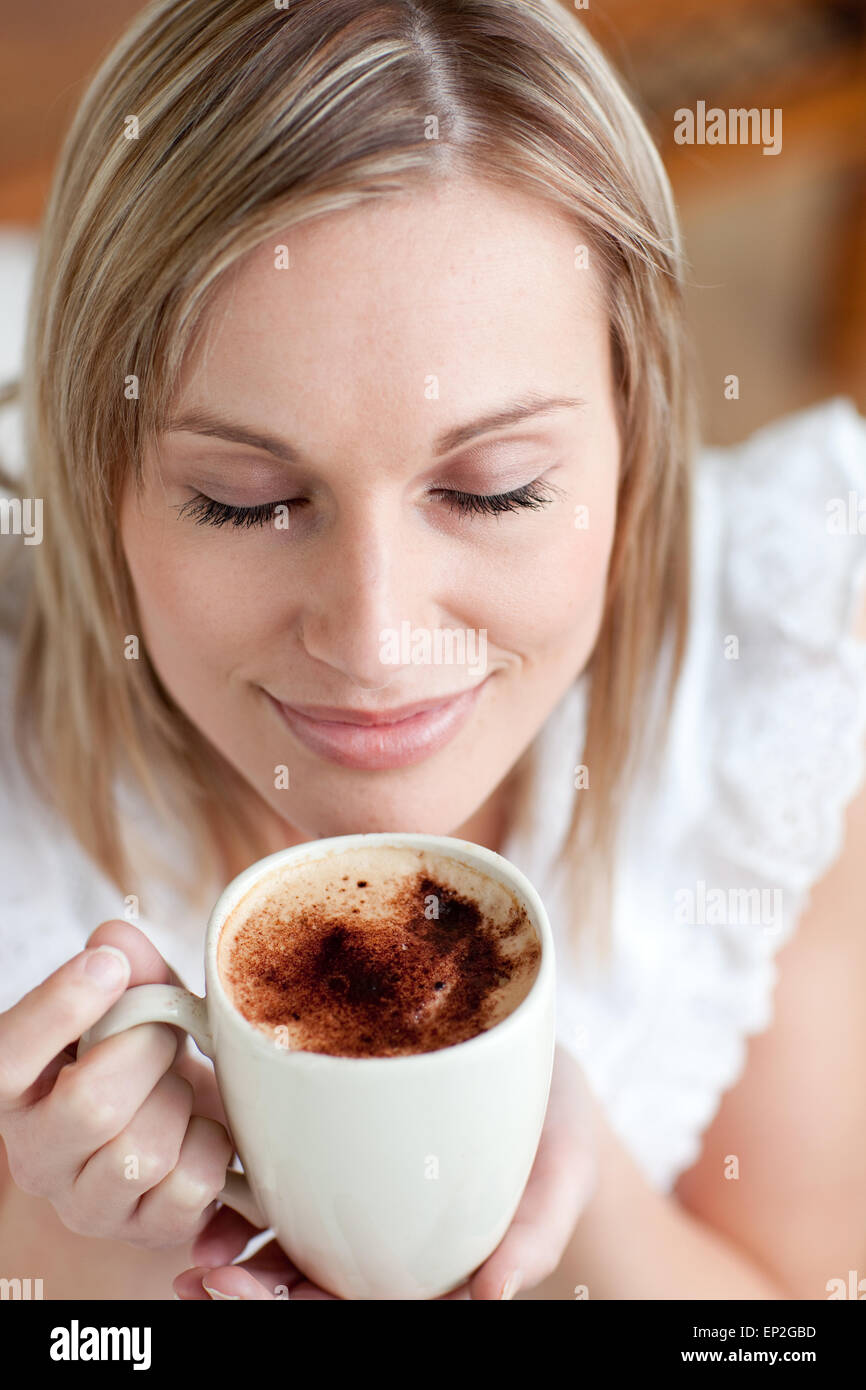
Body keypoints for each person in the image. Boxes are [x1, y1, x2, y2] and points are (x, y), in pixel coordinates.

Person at [0, 0, 864, 1302]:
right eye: (243, 498)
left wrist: (556, 1206)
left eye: (495, 487)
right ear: (90, 473)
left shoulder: (777, 683)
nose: (372, 637)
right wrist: (86, 1261)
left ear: (635, 452)